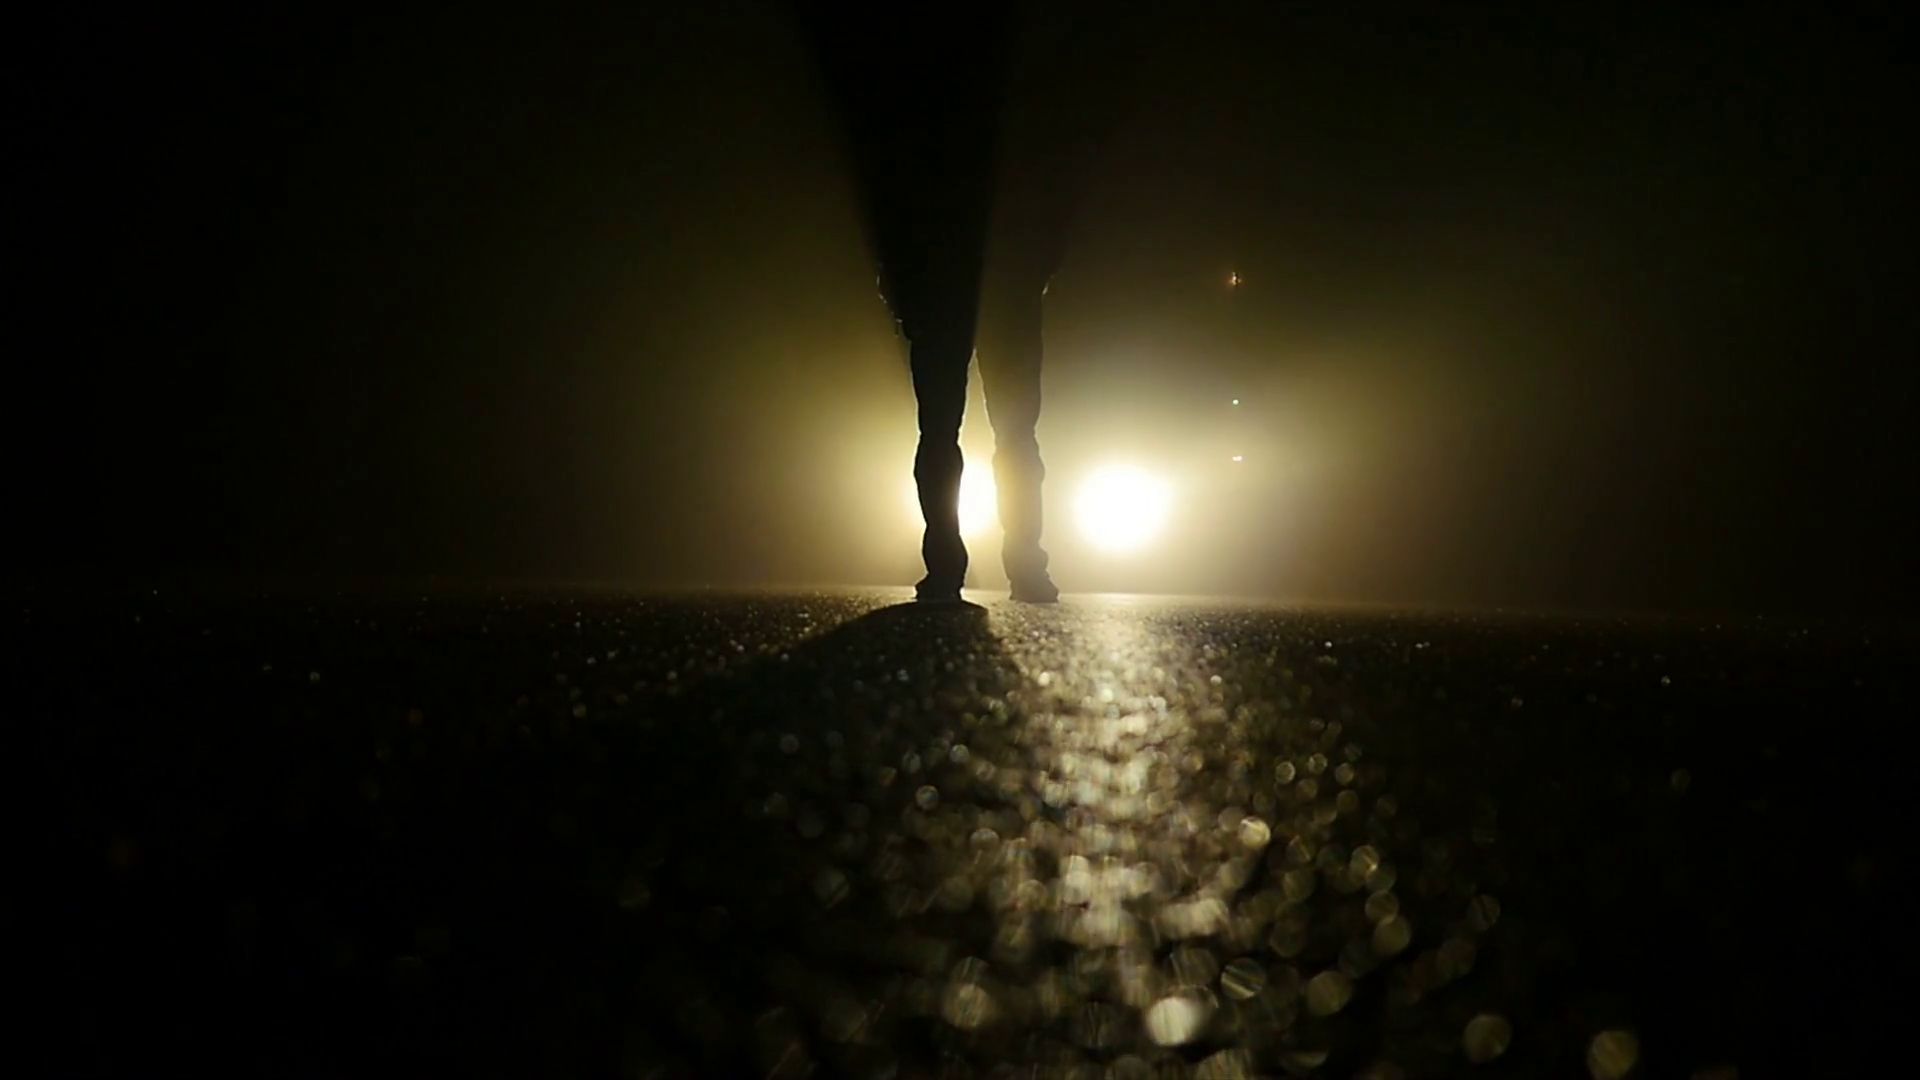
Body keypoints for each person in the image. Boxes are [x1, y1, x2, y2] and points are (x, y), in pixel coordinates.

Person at [794, 3, 1146, 603]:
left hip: (948, 281)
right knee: (1012, 434)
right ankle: (1023, 566)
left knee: (944, 431)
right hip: (995, 283)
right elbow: (1049, 190)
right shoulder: (1013, 118)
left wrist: (900, 277)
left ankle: (950, 567)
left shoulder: (926, 119)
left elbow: (898, 200)